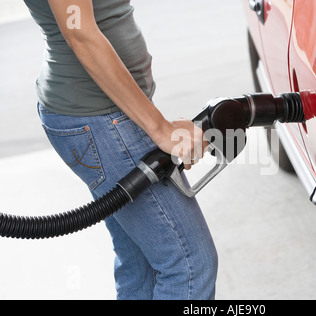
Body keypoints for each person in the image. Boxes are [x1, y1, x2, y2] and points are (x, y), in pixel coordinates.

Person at [23, 0, 218, 300]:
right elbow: (81, 34)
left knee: (141, 266)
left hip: (104, 117)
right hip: (99, 120)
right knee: (189, 265)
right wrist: (160, 129)